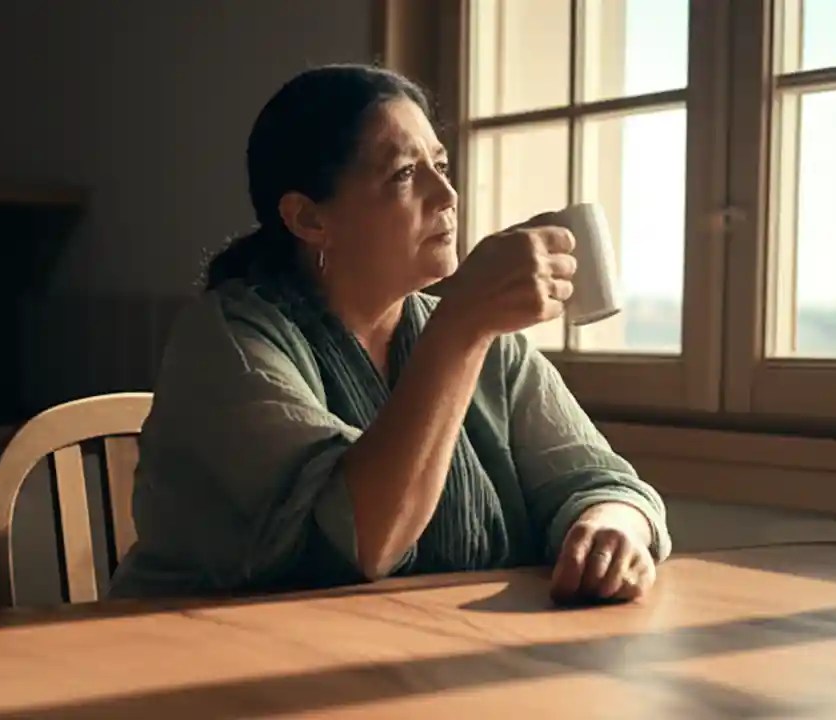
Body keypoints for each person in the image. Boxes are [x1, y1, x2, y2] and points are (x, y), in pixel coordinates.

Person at [110, 65, 670, 604]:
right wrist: (461, 325)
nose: (447, 195)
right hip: (203, 650)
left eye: (441, 165)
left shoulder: (488, 344)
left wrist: (611, 527)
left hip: (417, 645)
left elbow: (599, 481)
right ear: (309, 219)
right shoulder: (229, 342)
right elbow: (359, 542)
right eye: (404, 174)